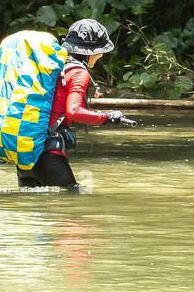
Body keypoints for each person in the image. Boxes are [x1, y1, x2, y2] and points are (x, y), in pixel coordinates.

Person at [19, 18, 136, 189]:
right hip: (48, 154)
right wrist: (107, 117)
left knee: (35, 210)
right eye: (100, 51)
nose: (101, 55)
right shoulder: (78, 72)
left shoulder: (53, 67)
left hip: (26, 154)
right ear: (89, 52)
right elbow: (74, 111)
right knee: (75, 204)